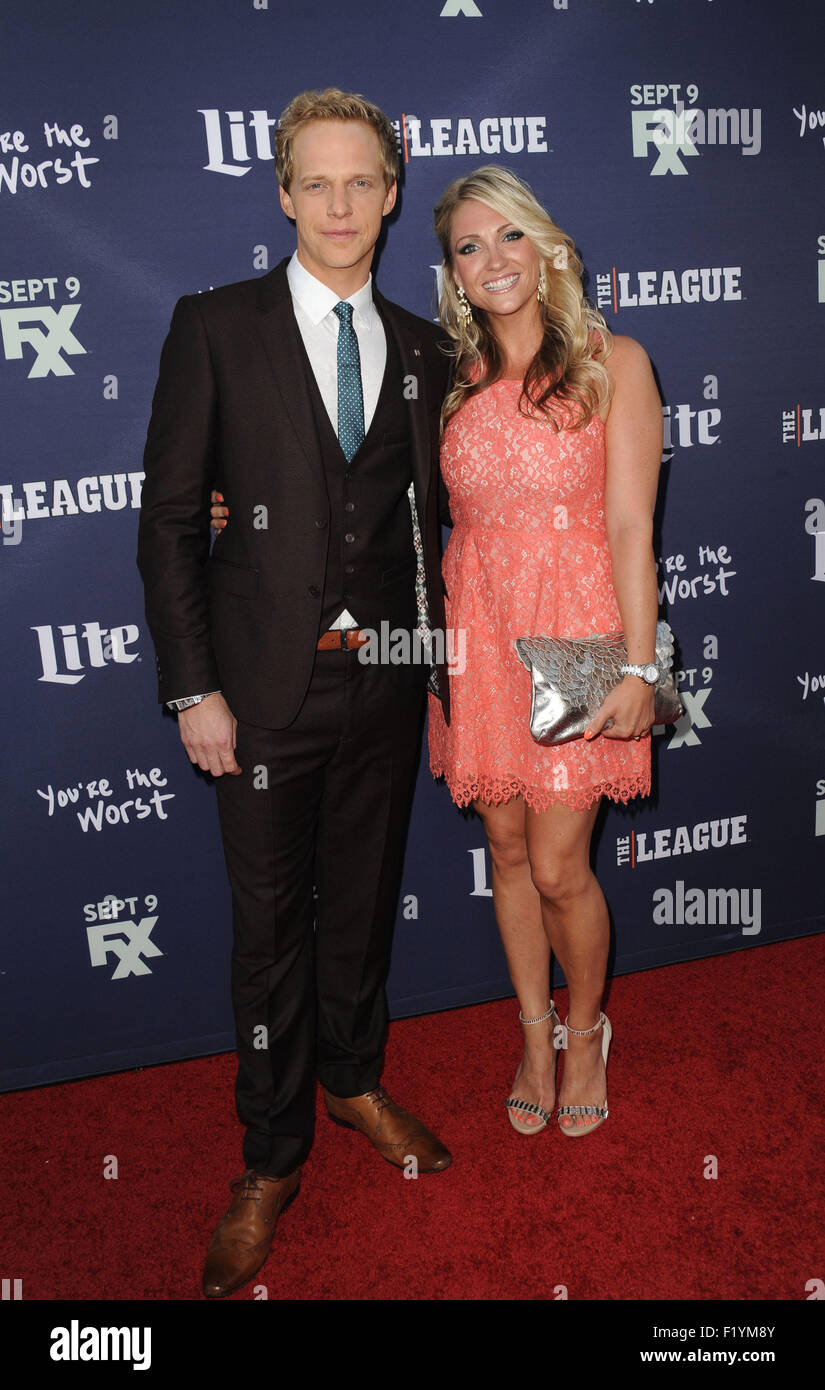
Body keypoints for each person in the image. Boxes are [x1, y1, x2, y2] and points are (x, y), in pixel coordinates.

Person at [137, 88, 453, 1301]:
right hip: (257, 696)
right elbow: (170, 523)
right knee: (269, 937)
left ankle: (356, 1080)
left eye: (360, 182)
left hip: (380, 686)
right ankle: (270, 1161)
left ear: (389, 195)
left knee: (362, 906)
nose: (338, 204)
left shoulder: (427, 347)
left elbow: (445, 525)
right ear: (281, 194)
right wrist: (192, 690)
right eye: (313, 182)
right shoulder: (214, 326)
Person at [427, 166, 662, 1137]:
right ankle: (533, 1033)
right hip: (476, 627)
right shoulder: (447, 378)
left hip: (577, 631)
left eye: (508, 236)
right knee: (509, 849)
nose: (493, 260)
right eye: (468, 247)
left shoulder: (616, 360)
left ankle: (585, 1028)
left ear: (547, 245)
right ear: (453, 273)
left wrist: (640, 669)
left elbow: (630, 532)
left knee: (563, 864)